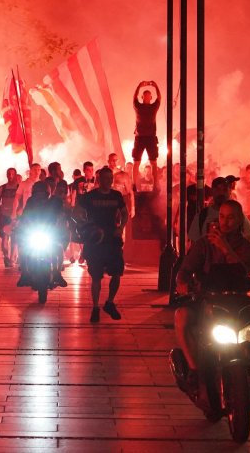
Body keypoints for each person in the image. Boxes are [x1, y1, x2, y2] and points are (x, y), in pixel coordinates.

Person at [172, 200, 250, 380]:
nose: (225, 222)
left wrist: (225, 248)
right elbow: (184, 270)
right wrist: (182, 283)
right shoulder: (204, 244)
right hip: (207, 298)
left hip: (238, 300)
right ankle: (194, 371)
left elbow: (244, 271)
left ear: (240, 220)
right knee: (181, 316)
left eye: (231, 218)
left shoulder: (247, 246)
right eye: (222, 216)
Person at [75, 167, 128, 323]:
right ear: (99, 180)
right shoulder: (90, 196)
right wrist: (86, 227)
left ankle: (110, 303)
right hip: (95, 241)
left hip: (112, 239)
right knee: (96, 277)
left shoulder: (116, 195)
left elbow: (124, 213)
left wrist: (120, 228)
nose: (108, 181)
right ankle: (95, 307)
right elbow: (76, 212)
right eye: (105, 178)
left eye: (110, 178)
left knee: (117, 273)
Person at [186, 176, 250, 246]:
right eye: (218, 189)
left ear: (229, 191)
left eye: (224, 189)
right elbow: (194, 246)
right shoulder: (201, 216)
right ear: (212, 191)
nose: (221, 193)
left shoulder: (238, 215)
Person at [132, 81, 161, 183]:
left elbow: (159, 98)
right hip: (139, 137)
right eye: (145, 95)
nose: (147, 97)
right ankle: (134, 184)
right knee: (136, 161)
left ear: (151, 98)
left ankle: (155, 184)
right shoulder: (138, 106)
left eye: (149, 95)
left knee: (153, 162)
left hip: (151, 137)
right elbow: (134, 97)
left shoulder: (154, 107)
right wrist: (139, 86)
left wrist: (155, 86)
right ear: (142, 97)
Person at [0, 168, 22, 267]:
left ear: (15, 175)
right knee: (4, 238)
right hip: (4, 215)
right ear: (6, 175)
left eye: (12, 174)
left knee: (15, 238)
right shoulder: (2, 188)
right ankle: (6, 257)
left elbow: (23, 201)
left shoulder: (19, 187)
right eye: (9, 174)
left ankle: (11, 259)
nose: (10, 176)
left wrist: (18, 213)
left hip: (15, 216)